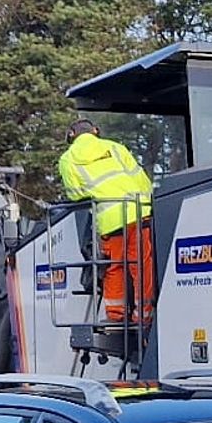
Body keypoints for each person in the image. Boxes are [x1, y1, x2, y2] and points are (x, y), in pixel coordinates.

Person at [56, 119, 155, 323]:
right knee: (142, 266)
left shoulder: (68, 159)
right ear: (95, 131)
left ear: (71, 136)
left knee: (114, 267)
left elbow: (76, 195)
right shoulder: (116, 148)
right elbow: (143, 181)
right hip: (139, 212)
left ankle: (116, 317)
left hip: (110, 220)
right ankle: (144, 316)